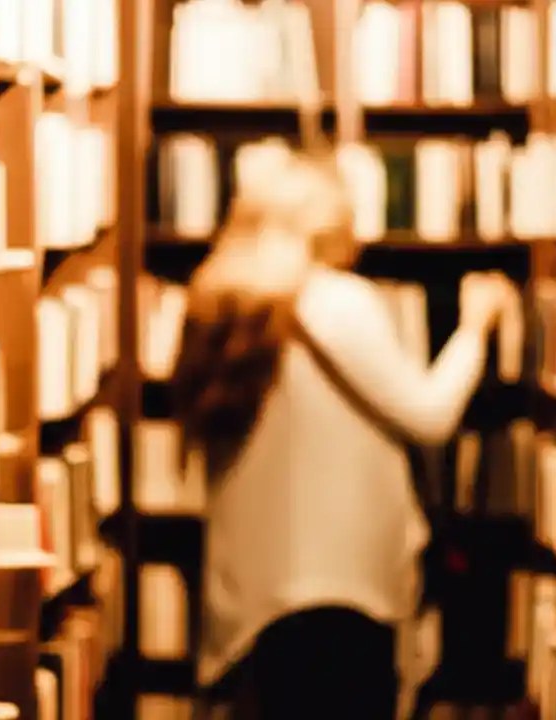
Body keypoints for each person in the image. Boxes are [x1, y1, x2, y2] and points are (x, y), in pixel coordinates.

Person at [173, 144, 521, 720]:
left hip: (254, 595)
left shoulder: (215, 305)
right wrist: (475, 328)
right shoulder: (337, 301)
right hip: (345, 585)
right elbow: (429, 417)